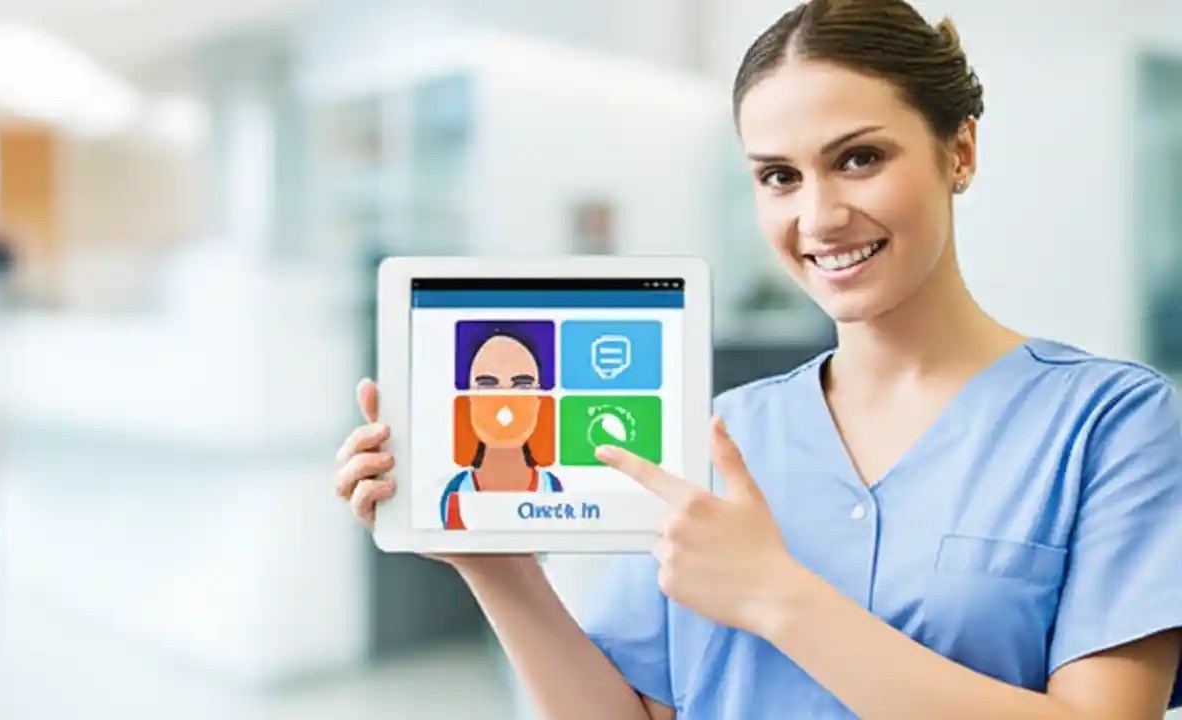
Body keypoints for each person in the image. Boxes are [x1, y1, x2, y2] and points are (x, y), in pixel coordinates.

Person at [334, 1, 1182, 717]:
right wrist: (493, 565)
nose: (819, 216)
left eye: (859, 158)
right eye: (779, 176)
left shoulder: (1112, 424)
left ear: (958, 151)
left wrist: (778, 598)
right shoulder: (721, 439)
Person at [441, 331, 564, 530]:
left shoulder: (554, 490)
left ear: (539, 402)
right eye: (487, 386)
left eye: (523, 386)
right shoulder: (454, 494)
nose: (505, 400)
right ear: (467, 401)